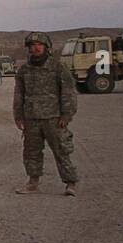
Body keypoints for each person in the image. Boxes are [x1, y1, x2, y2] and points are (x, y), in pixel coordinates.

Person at [13, 32, 79, 196]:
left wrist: (66, 115)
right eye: (32, 46)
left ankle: (71, 183)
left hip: (54, 118)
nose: (35, 48)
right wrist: (19, 116)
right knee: (31, 152)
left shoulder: (58, 67)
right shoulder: (24, 70)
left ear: (46, 47)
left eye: (39, 45)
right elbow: (19, 94)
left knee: (61, 151)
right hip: (31, 118)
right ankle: (33, 183)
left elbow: (68, 92)